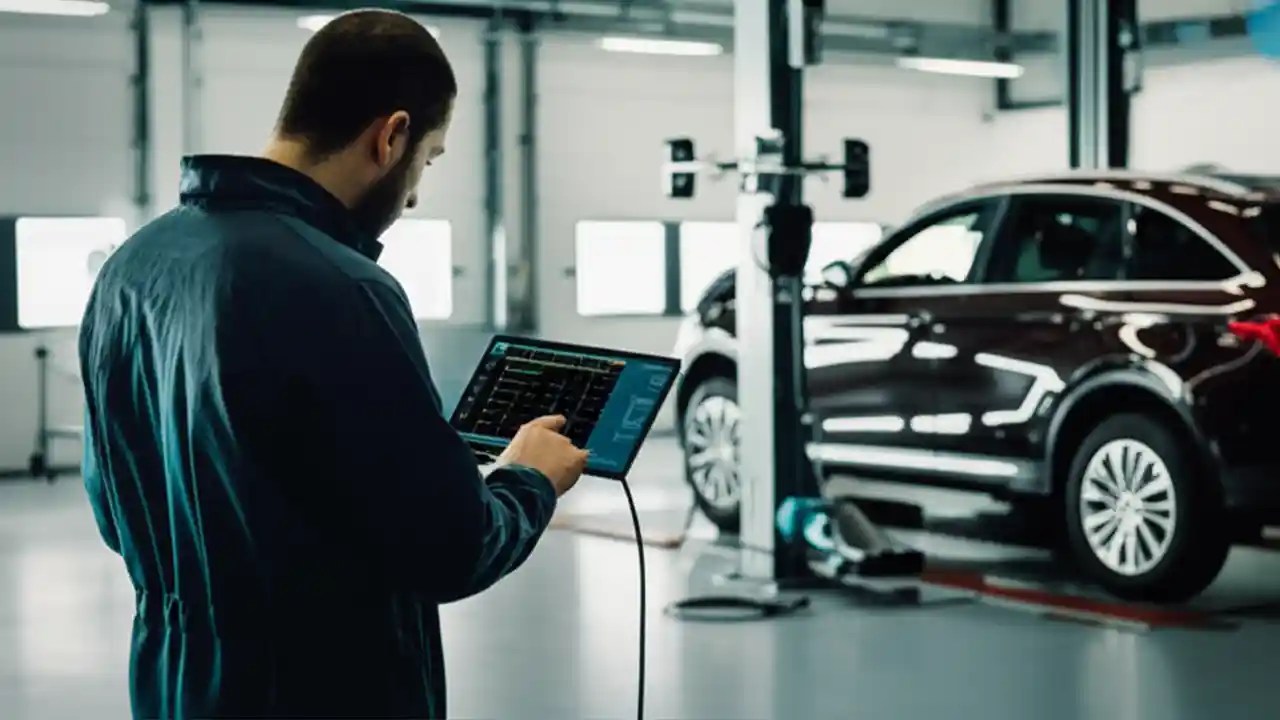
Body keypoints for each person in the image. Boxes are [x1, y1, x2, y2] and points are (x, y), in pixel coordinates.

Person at [77, 10, 588, 719]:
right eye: (428, 160)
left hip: (173, 681)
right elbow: (450, 548)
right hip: (324, 688)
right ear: (392, 135)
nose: (413, 195)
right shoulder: (341, 286)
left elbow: (113, 507)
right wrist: (529, 478)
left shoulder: (133, 266)